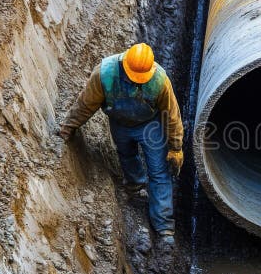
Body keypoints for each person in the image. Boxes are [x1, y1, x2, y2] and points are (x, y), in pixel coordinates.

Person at [58, 43, 184, 244]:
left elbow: (172, 116)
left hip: (150, 126)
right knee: (126, 154)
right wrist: (70, 126)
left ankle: (164, 227)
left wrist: (176, 147)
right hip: (119, 123)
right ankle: (135, 184)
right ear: (125, 65)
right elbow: (86, 103)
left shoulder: (160, 80)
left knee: (159, 172)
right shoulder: (105, 74)